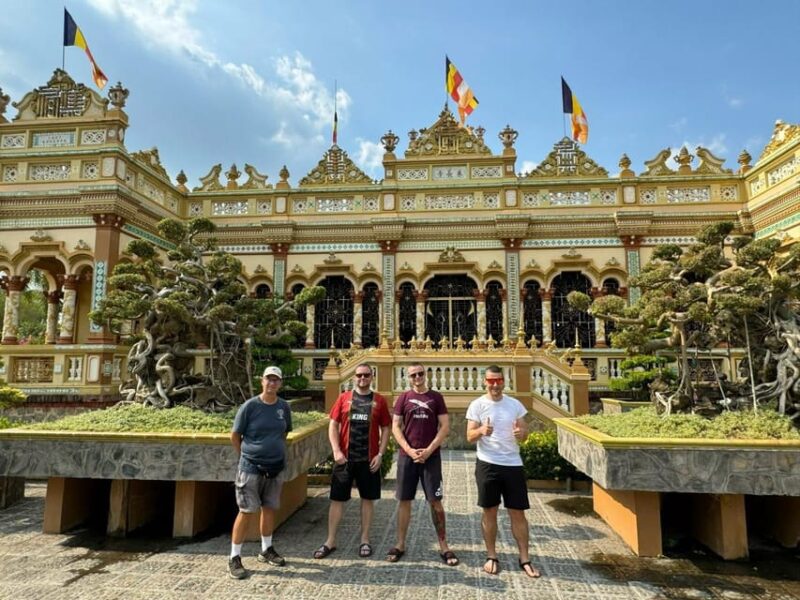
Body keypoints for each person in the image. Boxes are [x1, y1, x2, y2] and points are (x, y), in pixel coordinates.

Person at [466, 365, 541, 578]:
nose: (495, 385)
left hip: (512, 464)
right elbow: (469, 436)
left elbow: (525, 432)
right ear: (485, 382)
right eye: (491, 381)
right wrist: (481, 430)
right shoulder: (477, 405)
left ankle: (524, 558)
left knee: (518, 512)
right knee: (489, 510)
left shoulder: (514, 405)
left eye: (498, 380)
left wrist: (522, 433)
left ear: (504, 381)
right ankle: (491, 555)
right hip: (488, 463)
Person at [314, 363, 391, 560]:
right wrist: (336, 450)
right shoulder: (343, 398)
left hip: (369, 459)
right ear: (354, 378)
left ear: (371, 377)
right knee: (337, 500)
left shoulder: (379, 401)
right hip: (345, 459)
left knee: (367, 500)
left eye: (366, 375)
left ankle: (365, 539)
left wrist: (380, 454)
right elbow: (333, 425)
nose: (362, 379)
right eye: (359, 375)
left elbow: (386, 429)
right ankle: (330, 540)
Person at [386, 362, 458, 565]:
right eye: (413, 375)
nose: (417, 378)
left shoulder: (436, 397)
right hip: (407, 457)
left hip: (430, 457)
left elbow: (444, 426)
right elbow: (395, 426)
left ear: (425, 375)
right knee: (404, 500)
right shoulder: (404, 398)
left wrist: (429, 450)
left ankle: (444, 545)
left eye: (420, 374)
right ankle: (400, 543)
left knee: (435, 501)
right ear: (408, 378)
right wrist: (409, 450)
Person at [227, 365, 293, 580]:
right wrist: (247, 456)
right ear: (262, 381)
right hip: (251, 468)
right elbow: (235, 436)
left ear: (280, 383)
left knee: (270, 508)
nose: (272, 383)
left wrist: (276, 453)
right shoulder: (250, 407)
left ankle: (266, 548)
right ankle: (234, 557)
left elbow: (284, 433)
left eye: (276, 380)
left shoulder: (283, 407)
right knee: (246, 511)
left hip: (275, 468)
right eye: (268, 379)